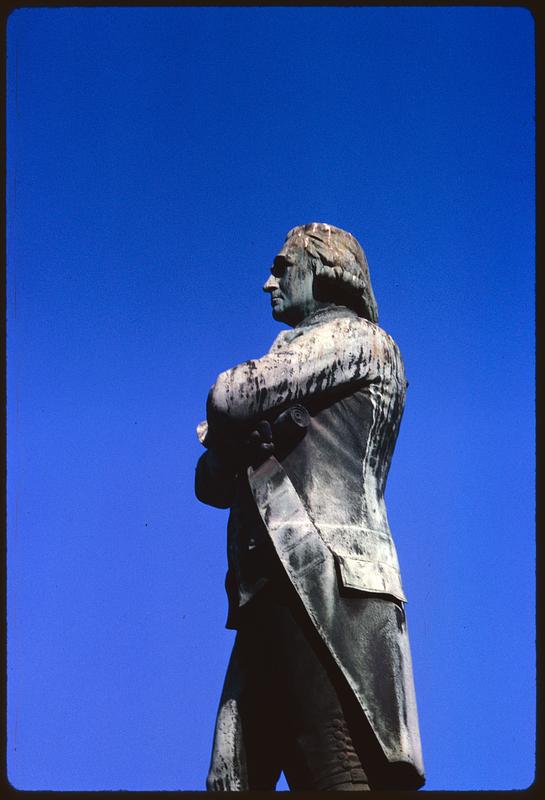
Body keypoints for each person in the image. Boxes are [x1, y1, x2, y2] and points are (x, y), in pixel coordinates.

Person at [195, 223, 425, 791]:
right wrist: (243, 435)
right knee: (231, 781)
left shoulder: (358, 341)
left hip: (327, 584)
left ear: (323, 271)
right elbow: (210, 481)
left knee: (331, 759)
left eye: (281, 267)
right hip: (275, 591)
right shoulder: (301, 358)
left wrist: (239, 430)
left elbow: (231, 395)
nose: (267, 283)